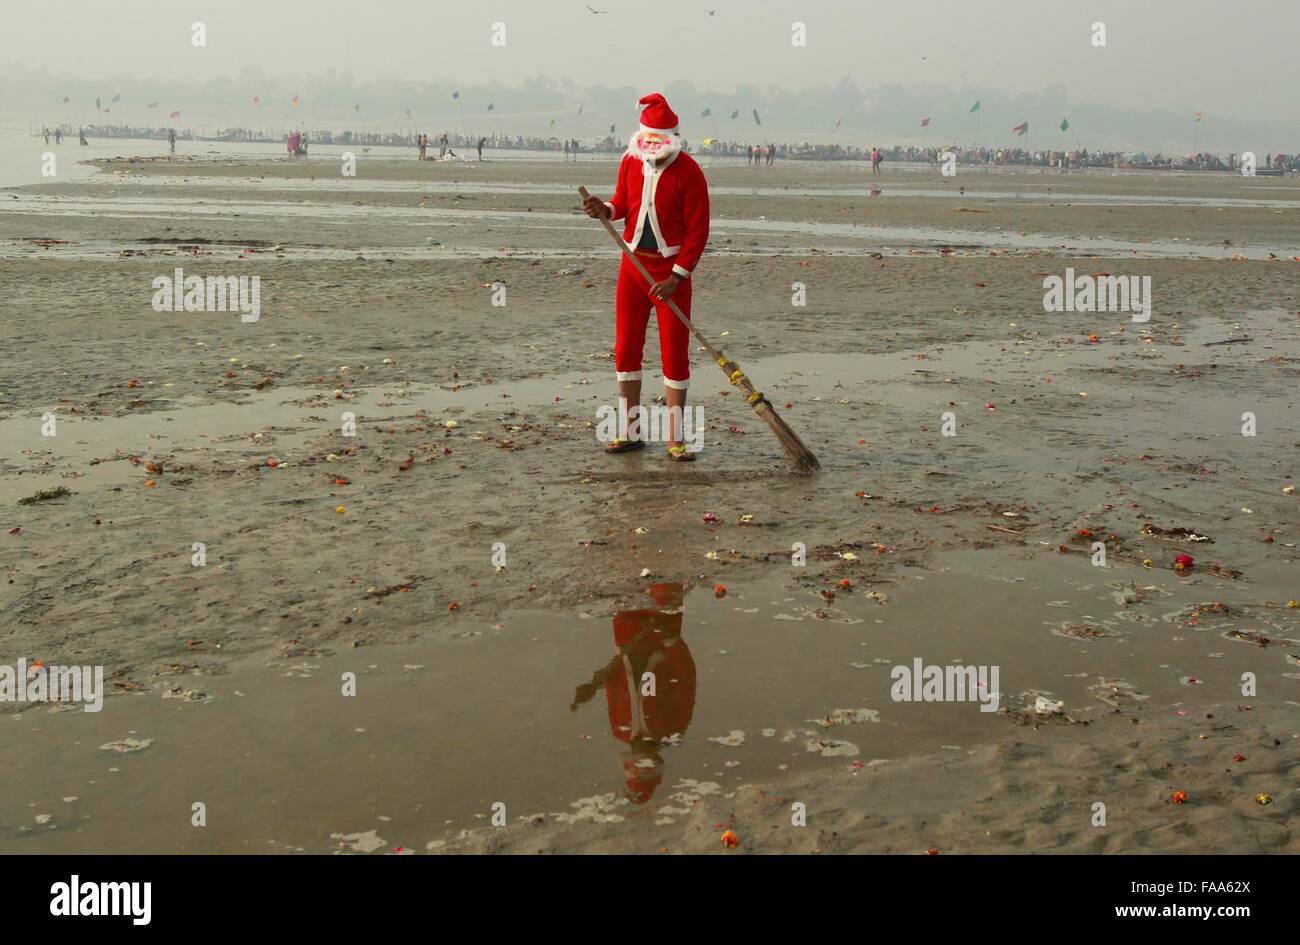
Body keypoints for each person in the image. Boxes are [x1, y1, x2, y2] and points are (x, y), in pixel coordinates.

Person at [582, 92, 710, 463]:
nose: (651, 146)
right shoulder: (630, 160)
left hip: (671, 275)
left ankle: (675, 437)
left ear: (671, 139)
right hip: (632, 266)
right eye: (647, 140)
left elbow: (698, 232)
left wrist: (677, 276)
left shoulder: (689, 172)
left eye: (658, 141)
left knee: (674, 354)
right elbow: (622, 202)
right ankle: (630, 431)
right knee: (626, 349)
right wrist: (603, 209)